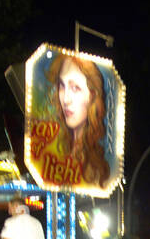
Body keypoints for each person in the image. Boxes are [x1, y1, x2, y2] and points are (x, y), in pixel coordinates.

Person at [45, 52, 110, 187]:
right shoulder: (57, 147)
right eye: (62, 86)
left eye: (75, 88)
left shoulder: (96, 164)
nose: (66, 99)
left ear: (92, 96)